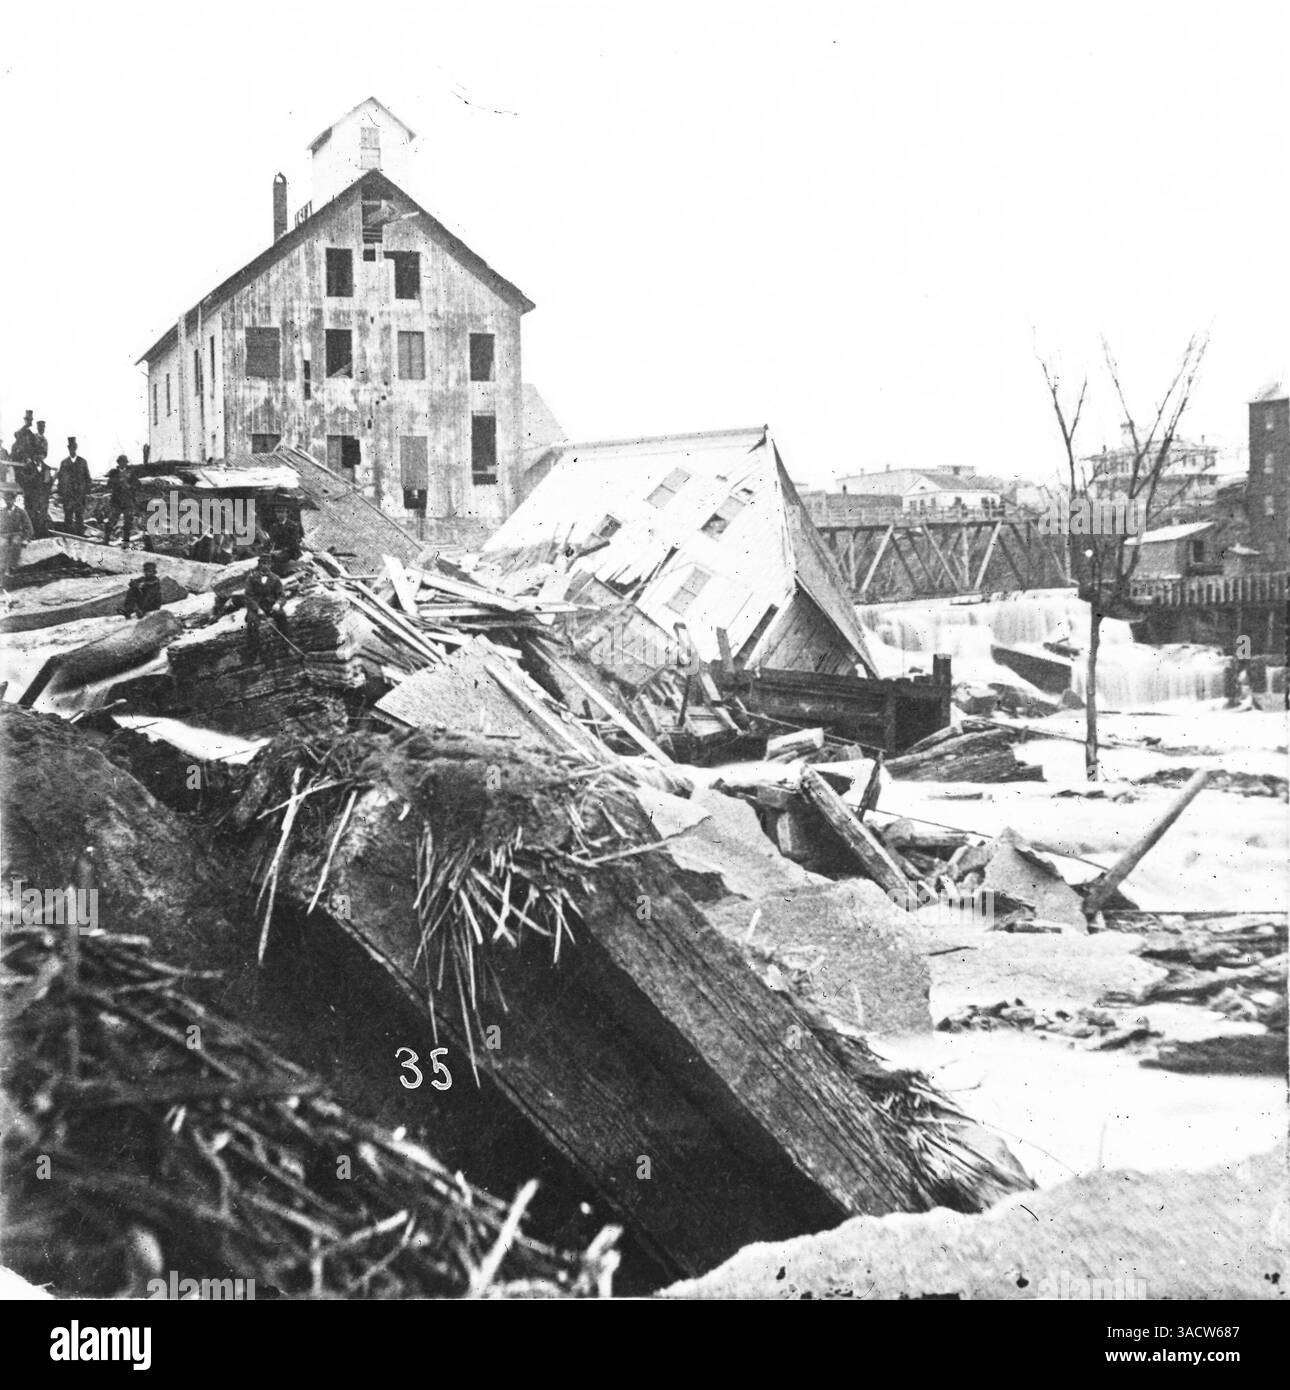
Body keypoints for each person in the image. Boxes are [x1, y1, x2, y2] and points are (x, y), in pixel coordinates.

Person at [244, 552, 289, 644]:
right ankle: (253, 650)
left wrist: (278, 604)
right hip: (256, 607)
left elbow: (282, 596)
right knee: (252, 623)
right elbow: (249, 597)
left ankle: (285, 645)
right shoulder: (252, 578)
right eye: (263, 563)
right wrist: (257, 609)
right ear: (259, 564)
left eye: (267, 563)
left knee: (282, 617)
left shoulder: (275, 578)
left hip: (271, 606)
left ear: (271, 565)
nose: (265, 566)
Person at [57, 438, 92, 534]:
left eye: (73, 447)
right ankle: (68, 535)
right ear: (68, 448)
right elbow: (60, 479)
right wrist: (61, 493)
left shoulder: (82, 462)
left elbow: (88, 478)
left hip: (79, 495)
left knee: (79, 516)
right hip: (68, 495)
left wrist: (86, 492)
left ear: (76, 448)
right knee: (68, 516)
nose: (72, 449)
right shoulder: (64, 463)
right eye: (70, 448)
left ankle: (79, 535)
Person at [0, 491, 34, 587]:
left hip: (17, 534)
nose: (8, 502)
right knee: (2, 545)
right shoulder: (2, 512)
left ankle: (11, 568)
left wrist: (26, 539)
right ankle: (2, 571)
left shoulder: (21, 512)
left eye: (10, 500)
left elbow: (29, 527)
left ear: (14, 500)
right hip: (4, 535)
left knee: (15, 544)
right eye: (6, 500)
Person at [103, 454, 137, 547]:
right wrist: (118, 482)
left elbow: (137, 485)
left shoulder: (131, 473)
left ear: (126, 463)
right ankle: (106, 540)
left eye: (125, 462)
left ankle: (125, 542)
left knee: (128, 522)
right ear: (118, 462)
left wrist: (129, 486)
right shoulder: (113, 472)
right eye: (121, 462)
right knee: (112, 520)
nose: (123, 464)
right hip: (116, 501)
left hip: (127, 501)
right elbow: (109, 484)